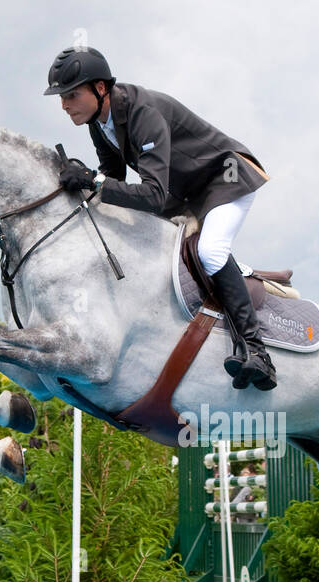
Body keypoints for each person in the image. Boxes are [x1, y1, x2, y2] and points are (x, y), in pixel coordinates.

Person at [46, 46, 277, 390]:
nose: (65, 105)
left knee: (211, 251)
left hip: (228, 177)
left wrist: (94, 181)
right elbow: (114, 180)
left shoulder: (143, 112)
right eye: (61, 97)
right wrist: (86, 180)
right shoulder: (98, 123)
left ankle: (258, 353)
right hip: (187, 192)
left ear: (100, 88)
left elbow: (152, 195)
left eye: (72, 94)